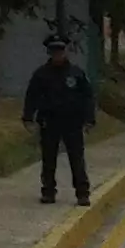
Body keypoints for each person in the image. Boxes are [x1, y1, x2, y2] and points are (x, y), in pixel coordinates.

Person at [22, 33, 96, 205]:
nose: (58, 54)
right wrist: (27, 118)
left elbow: (87, 97)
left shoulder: (76, 73)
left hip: (72, 122)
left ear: (66, 51)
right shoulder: (41, 74)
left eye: (60, 51)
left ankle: (82, 193)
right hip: (49, 121)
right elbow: (31, 96)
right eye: (54, 51)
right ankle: (48, 191)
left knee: (76, 158)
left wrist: (89, 119)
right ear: (49, 52)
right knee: (49, 158)